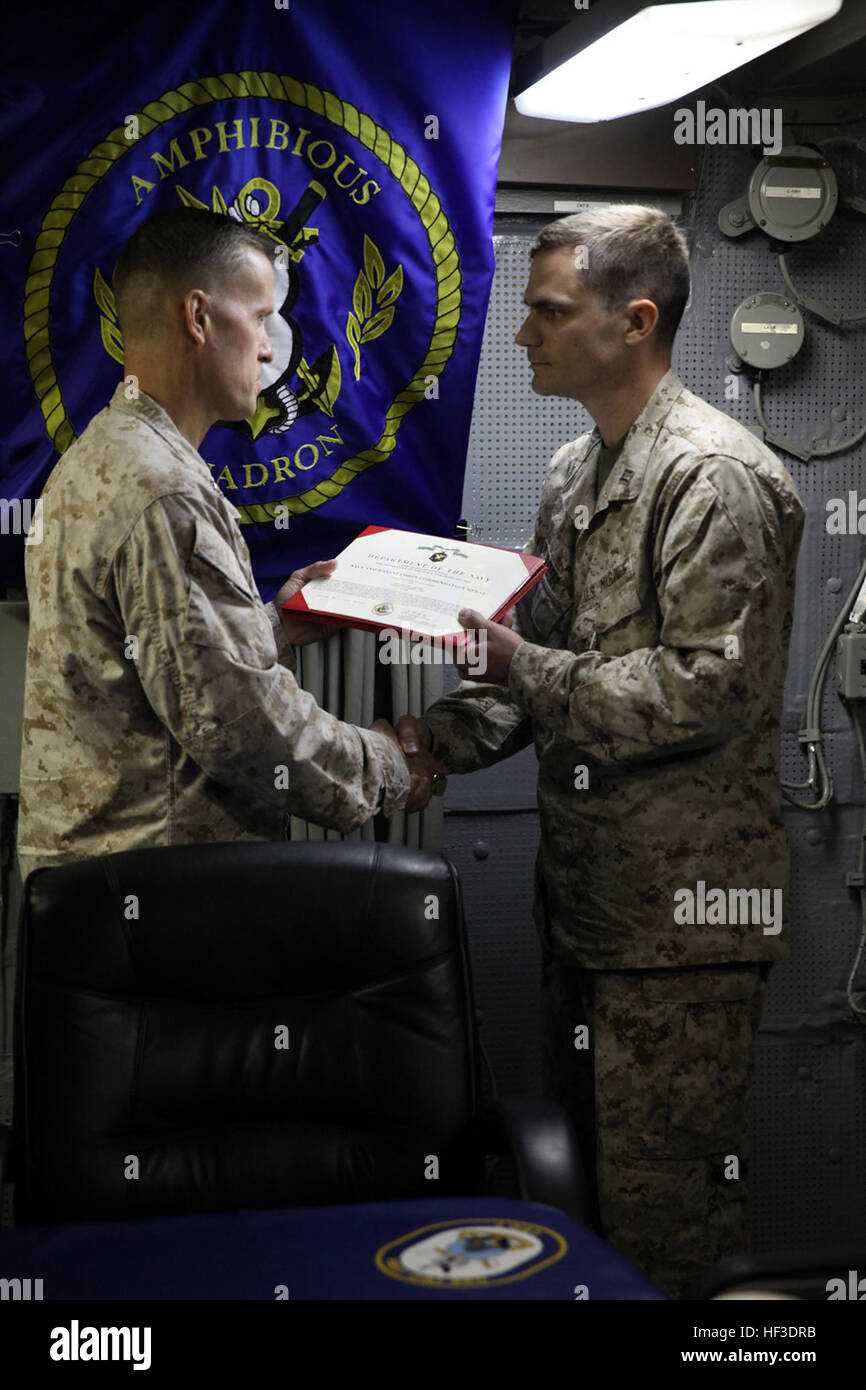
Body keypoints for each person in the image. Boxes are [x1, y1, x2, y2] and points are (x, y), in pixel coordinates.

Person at [396, 205, 805, 1297]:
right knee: (578, 1208)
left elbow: (701, 691)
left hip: (681, 933)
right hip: (587, 910)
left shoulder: (713, 479)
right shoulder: (577, 469)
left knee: (664, 1221)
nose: (522, 334)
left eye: (546, 310)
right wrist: (419, 746)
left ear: (633, 321)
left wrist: (517, 669)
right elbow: (534, 665)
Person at [17, 208, 433, 882]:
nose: (271, 348)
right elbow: (239, 727)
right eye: (261, 318)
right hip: (157, 891)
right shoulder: (163, 488)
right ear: (200, 318)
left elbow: (155, 662)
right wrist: (386, 763)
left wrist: (273, 629)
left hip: (106, 882)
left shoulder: (106, 452)